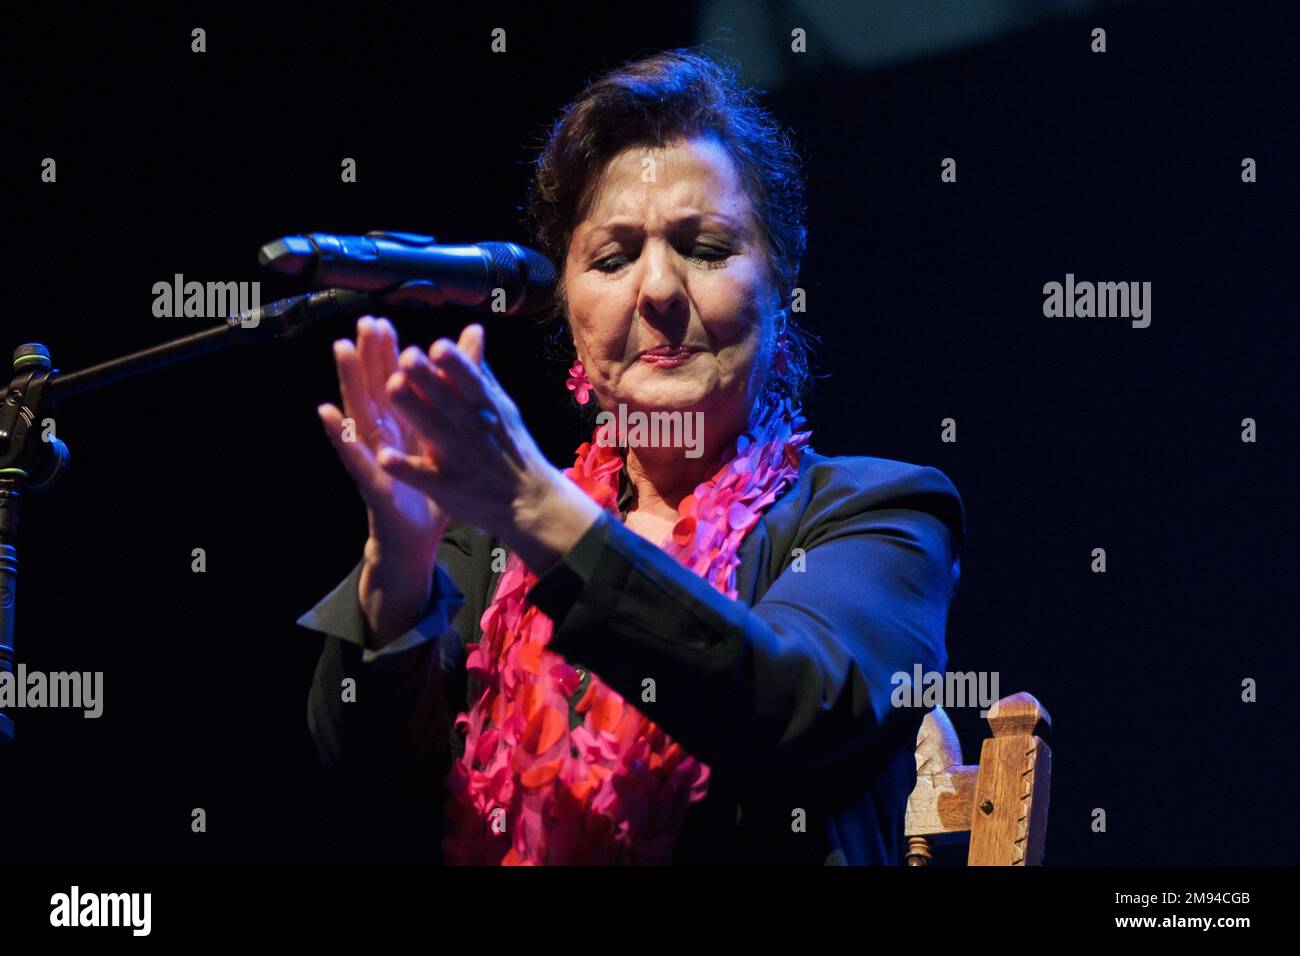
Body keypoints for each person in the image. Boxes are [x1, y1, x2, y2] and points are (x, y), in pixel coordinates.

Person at [297, 48, 964, 865]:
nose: (656, 290)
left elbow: (791, 705)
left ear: (779, 280)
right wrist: (395, 569)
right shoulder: (487, 551)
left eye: (708, 248)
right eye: (611, 259)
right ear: (570, 312)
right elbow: (366, 785)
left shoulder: (878, 515)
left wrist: (539, 508)